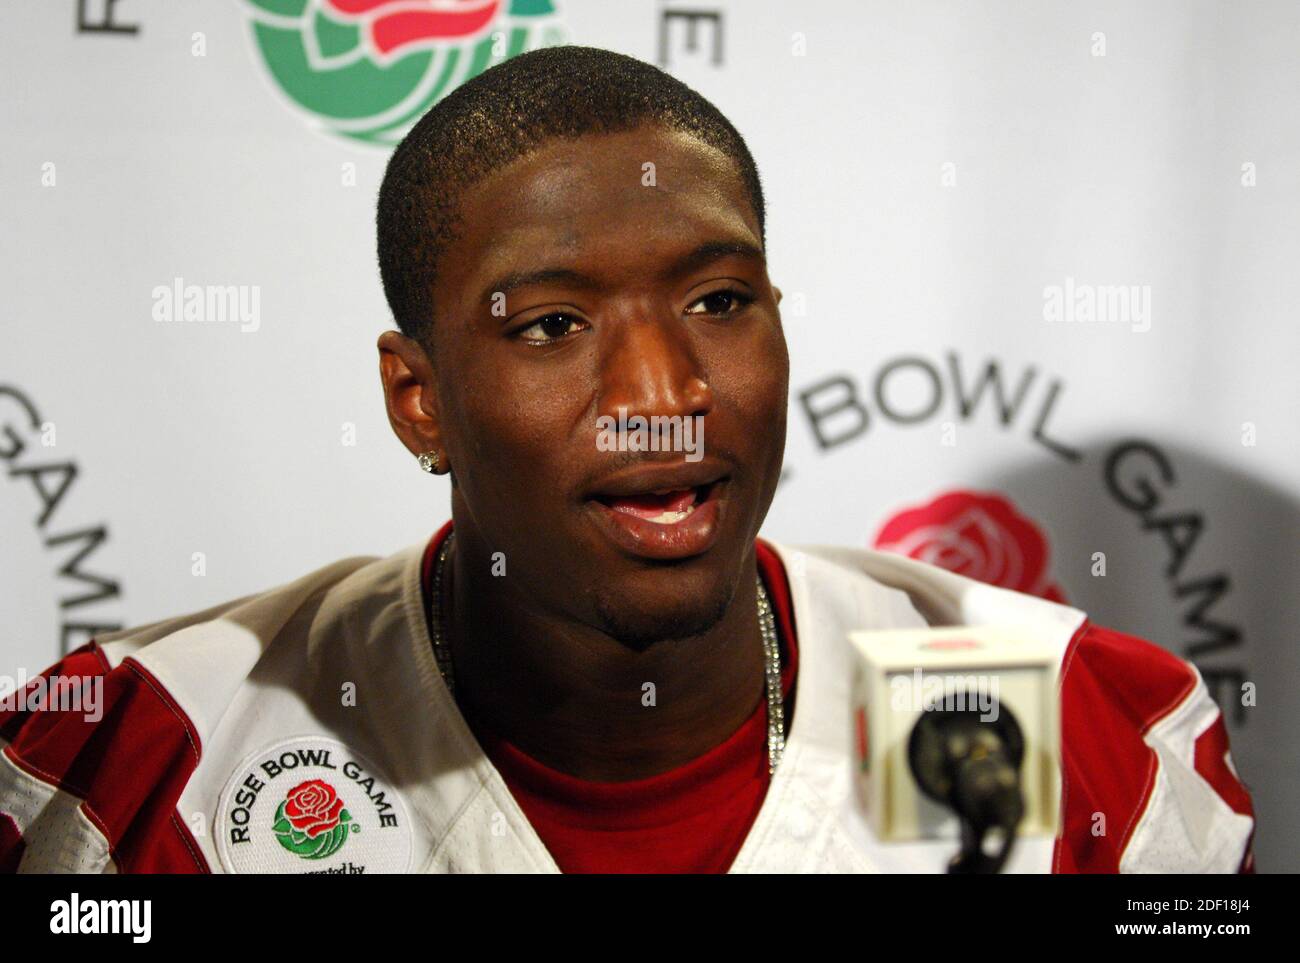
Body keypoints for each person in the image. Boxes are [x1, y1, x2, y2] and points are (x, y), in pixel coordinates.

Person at [0, 45, 1252, 874]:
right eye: (550, 325)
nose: (664, 397)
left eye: (718, 300)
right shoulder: (146, 757)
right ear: (418, 400)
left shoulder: (1086, 732)